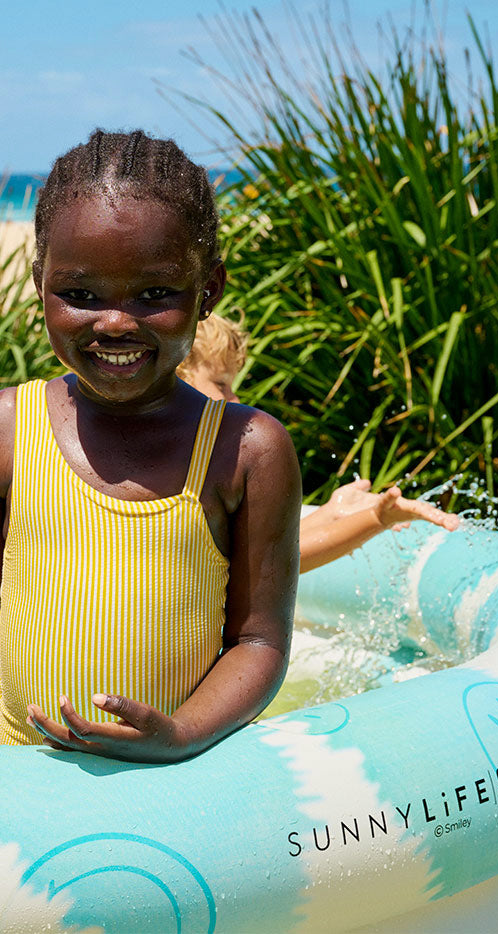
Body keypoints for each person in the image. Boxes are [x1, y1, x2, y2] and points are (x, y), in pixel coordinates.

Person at [0, 129, 301, 763]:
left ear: (208, 289)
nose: (114, 321)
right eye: (79, 295)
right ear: (39, 284)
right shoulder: (8, 430)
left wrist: (183, 733)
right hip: (22, 775)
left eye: (155, 293)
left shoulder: (246, 450)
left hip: (170, 789)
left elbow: (259, 642)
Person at [179, 316, 459, 574]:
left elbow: (253, 550)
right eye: (221, 384)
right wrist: (376, 518)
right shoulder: (178, 476)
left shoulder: (194, 464)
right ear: (177, 379)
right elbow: (266, 565)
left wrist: (332, 512)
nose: (236, 399)